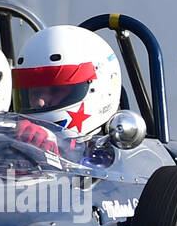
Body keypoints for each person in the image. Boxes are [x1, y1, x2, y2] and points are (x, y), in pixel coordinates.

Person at [10, 25, 123, 157]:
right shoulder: (11, 146)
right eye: (34, 92)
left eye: (55, 90)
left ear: (98, 88)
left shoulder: (123, 164)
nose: (40, 102)